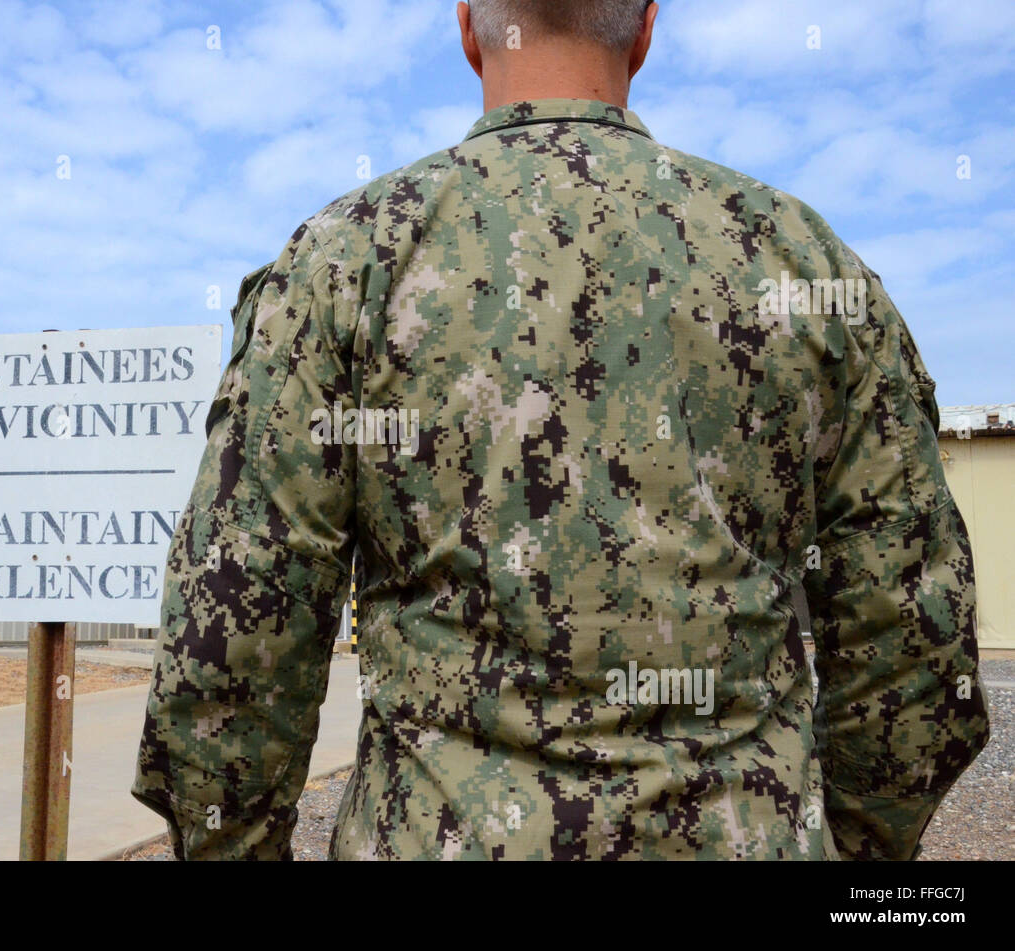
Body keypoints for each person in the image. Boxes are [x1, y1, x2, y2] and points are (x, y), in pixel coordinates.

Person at [131, 0, 990, 860]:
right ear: (645, 30)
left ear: (469, 27)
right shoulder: (803, 264)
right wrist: (853, 850)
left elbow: (233, 645)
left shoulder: (346, 264)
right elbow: (911, 633)